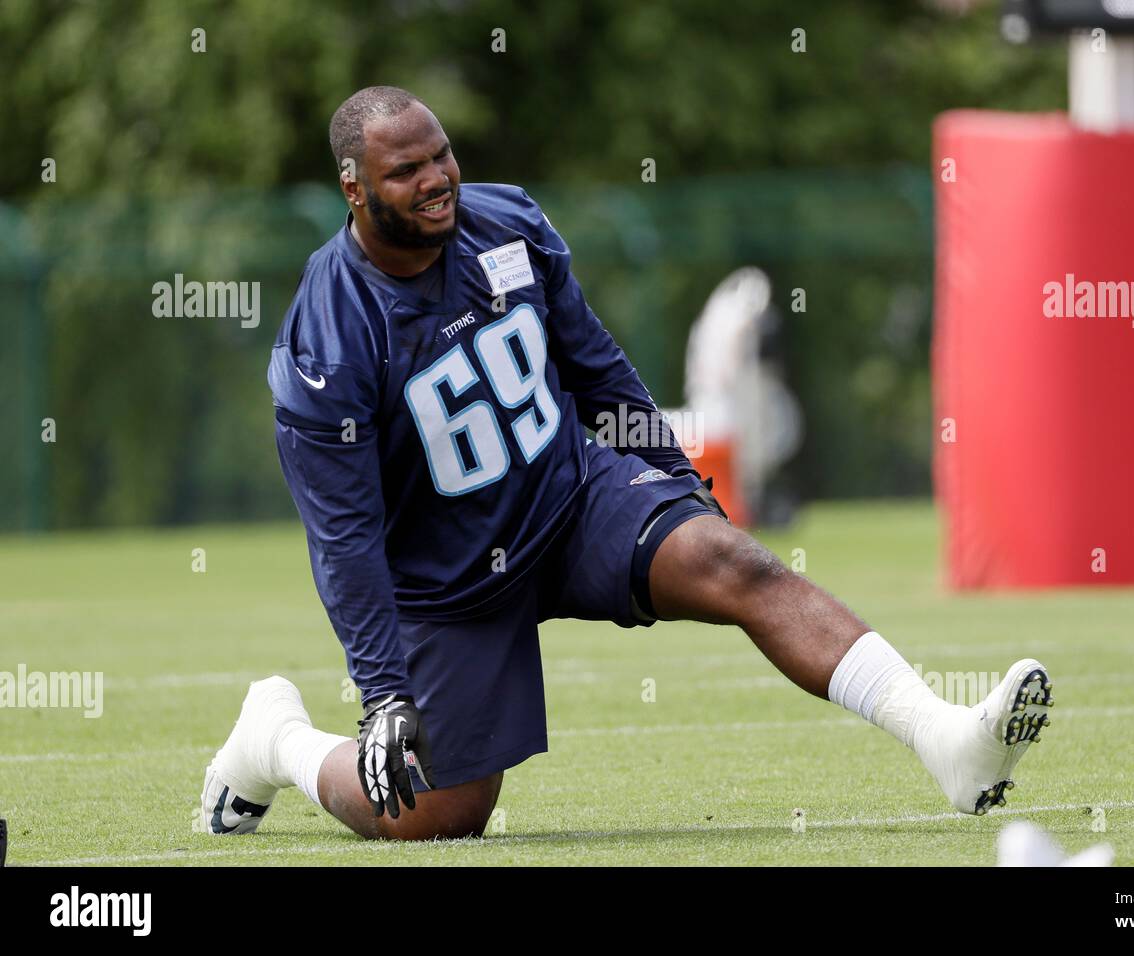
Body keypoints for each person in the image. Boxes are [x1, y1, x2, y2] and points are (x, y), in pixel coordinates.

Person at [200, 86, 1052, 841]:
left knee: (732, 560)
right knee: (440, 818)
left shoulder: (506, 223)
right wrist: (383, 693)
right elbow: (344, 538)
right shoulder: (330, 333)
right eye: (405, 171)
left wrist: (680, 486)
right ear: (354, 188)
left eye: (442, 154)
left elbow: (594, 369)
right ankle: (276, 738)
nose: (437, 180)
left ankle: (948, 740)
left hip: (566, 499)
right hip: (446, 579)